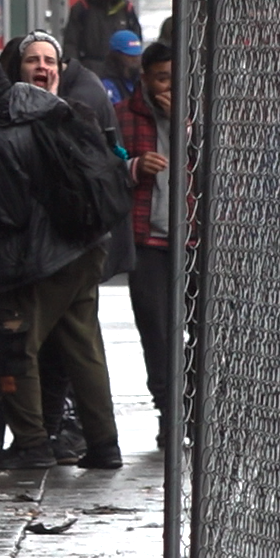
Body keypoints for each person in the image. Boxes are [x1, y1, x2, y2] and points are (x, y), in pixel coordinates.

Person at [0, 49, 123, 471]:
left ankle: (31, 444)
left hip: (41, 258)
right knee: (83, 346)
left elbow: (12, 213)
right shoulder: (44, 104)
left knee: (15, 344)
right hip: (86, 244)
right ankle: (104, 443)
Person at [117, 41, 177, 443]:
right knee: (155, 330)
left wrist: (185, 128)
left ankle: (194, 405)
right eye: (161, 79)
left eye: (176, 78)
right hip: (145, 241)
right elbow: (103, 168)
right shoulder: (124, 117)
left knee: (197, 327)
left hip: (193, 243)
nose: (169, 87)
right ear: (145, 79)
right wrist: (133, 167)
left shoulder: (201, 115)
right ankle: (167, 413)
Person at [63, 0, 142, 79]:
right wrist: (74, 72)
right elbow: (71, 44)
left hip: (121, 76)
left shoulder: (127, 9)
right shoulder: (82, 8)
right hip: (90, 74)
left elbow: (136, 42)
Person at [101, 30, 144, 107]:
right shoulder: (107, 84)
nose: (135, 59)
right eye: (129, 55)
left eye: (137, 55)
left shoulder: (142, 80)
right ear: (116, 56)